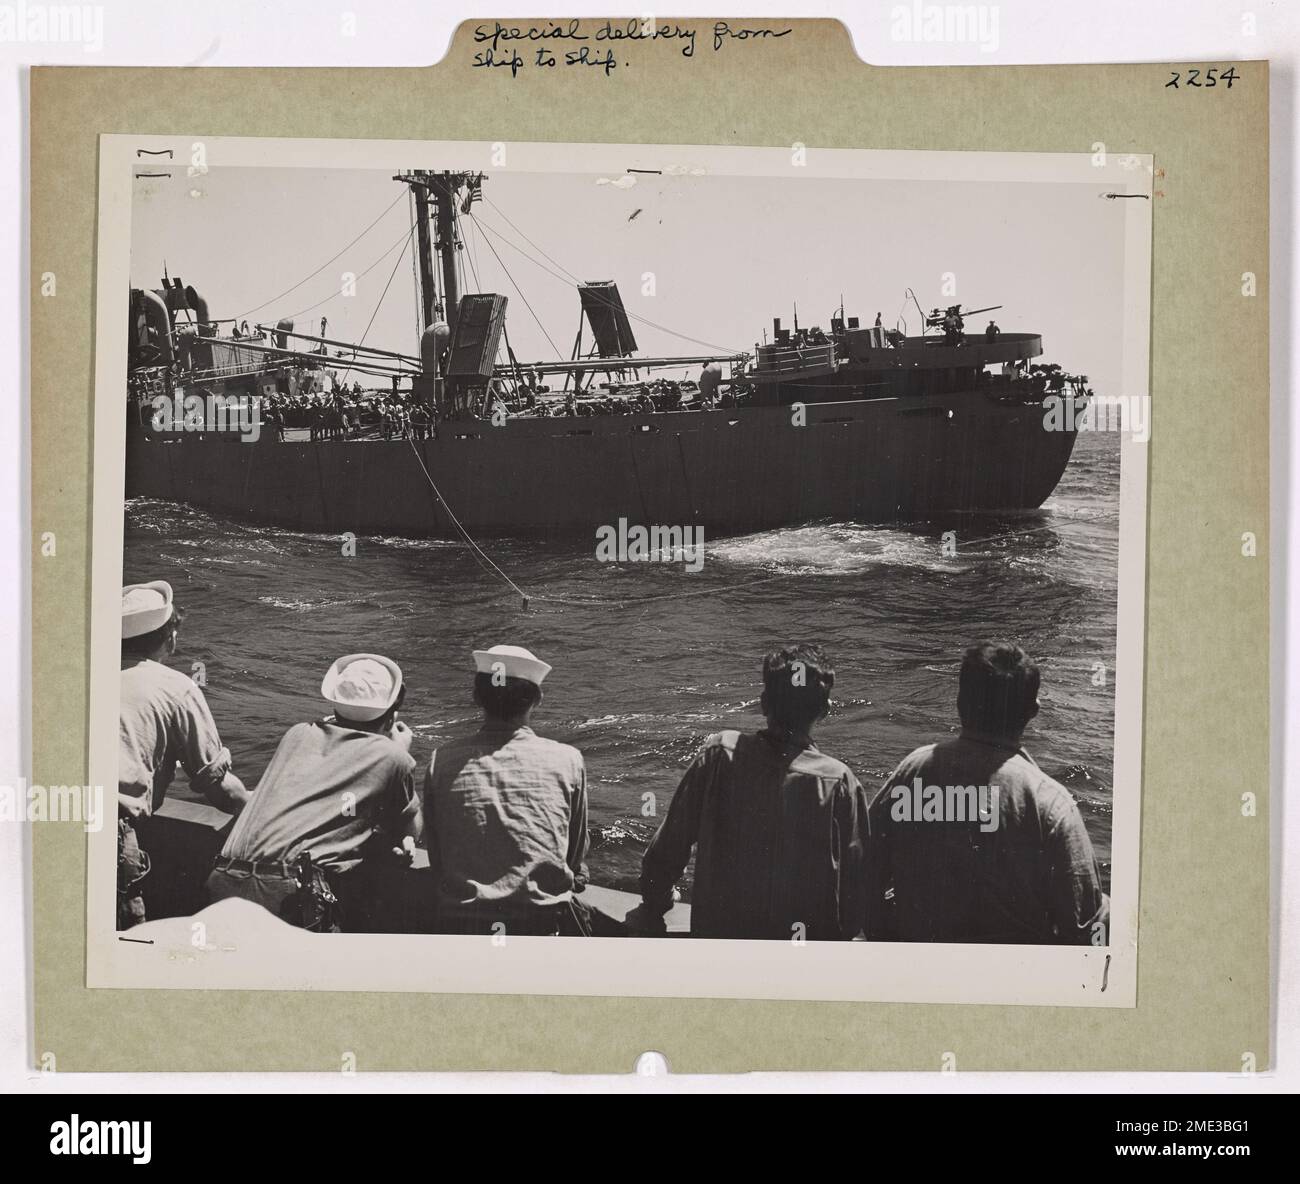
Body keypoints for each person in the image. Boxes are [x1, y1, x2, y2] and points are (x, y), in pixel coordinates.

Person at [865, 642, 1109, 945]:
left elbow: (863, 872)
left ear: (960, 702)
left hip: (920, 970)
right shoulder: (1050, 802)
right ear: (1032, 711)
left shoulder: (912, 773)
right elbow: (1083, 925)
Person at [631, 644, 867, 940]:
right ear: (825, 710)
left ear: (764, 703)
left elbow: (666, 852)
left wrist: (657, 900)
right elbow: (855, 893)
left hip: (721, 947)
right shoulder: (839, 781)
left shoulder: (719, 754)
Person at [206, 654, 419, 931]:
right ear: (392, 717)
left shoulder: (297, 734)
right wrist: (399, 752)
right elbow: (411, 830)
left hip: (224, 878)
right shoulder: (393, 756)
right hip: (292, 892)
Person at [422, 645, 589, 936]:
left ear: (476, 697)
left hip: (461, 922)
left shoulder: (442, 760)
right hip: (541, 923)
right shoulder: (568, 760)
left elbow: (438, 855)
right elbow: (572, 852)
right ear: (537, 700)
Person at [118, 581, 250, 928]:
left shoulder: (80, 673)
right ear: (170, 637)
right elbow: (218, 788)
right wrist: (258, 807)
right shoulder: (176, 687)